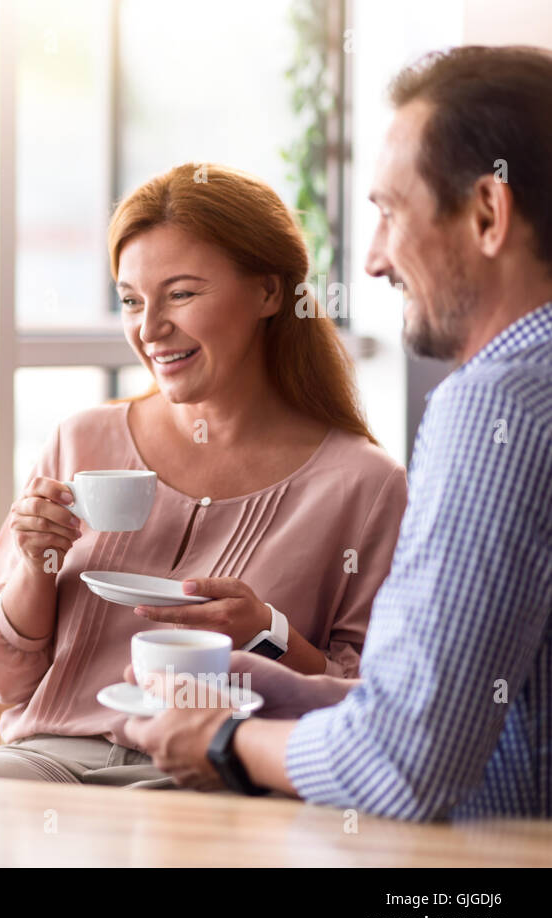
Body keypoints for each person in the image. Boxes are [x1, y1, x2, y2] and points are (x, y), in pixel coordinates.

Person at [125, 46, 552, 820]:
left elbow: (405, 762)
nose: (376, 259)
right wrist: (280, 690)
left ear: (488, 213)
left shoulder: (498, 408)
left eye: (390, 212)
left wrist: (223, 741)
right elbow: (442, 704)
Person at [0, 163, 407, 786]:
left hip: (218, 776)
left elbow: (372, 709)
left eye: (182, 294)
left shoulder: (364, 485)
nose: (149, 329)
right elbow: (9, 682)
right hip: (48, 761)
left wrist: (266, 633)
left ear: (269, 293)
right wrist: (34, 567)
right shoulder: (80, 440)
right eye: (131, 301)